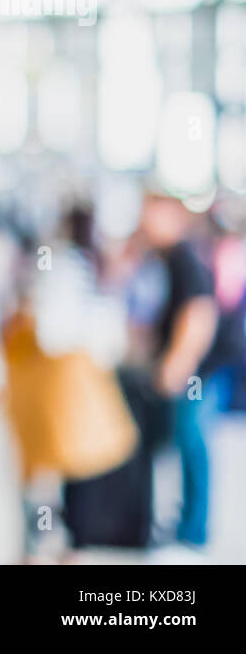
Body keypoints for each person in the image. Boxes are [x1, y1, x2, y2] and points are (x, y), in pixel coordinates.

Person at [139, 190, 220, 548]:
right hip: (192, 366)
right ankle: (188, 520)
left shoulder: (184, 256)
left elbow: (200, 312)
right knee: (188, 440)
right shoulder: (167, 255)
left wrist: (179, 364)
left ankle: (195, 528)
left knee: (191, 439)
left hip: (198, 370)